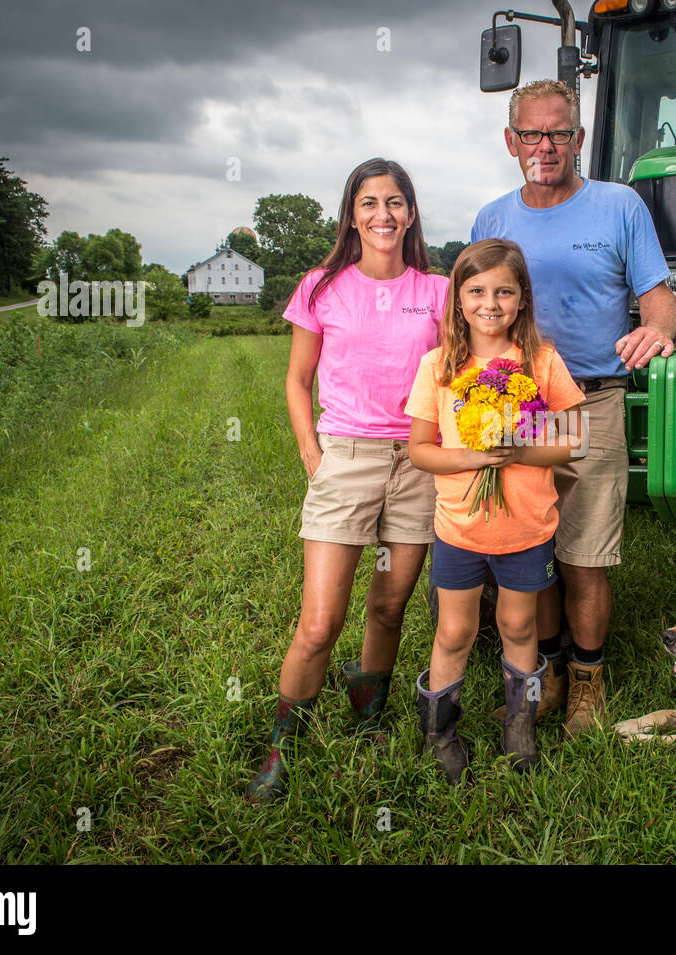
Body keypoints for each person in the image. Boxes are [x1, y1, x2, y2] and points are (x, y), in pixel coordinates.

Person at [470, 79, 676, 735]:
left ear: (579, 139)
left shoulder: (619, 206)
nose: (546, 145)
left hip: (591, 399)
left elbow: (658, 296)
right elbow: (471, 309)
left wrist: (660, 328)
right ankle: (550, 669)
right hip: (515, 409)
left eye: (559, 132)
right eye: (531, 133)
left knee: (584, 555)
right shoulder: (492, 218)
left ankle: (587, 680)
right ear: (511, 142)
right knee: (530, 554)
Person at [246, 158, 449, 804]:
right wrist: (313, 453)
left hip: (418, 461)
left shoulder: (438, 291)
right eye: (369, 202)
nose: (383, 214)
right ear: (352, 213)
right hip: (348, 454)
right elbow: (296, 380)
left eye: (394, 202)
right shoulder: (321, 286)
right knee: (319, 621)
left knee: (389, 606)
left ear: (410, 213)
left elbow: (457, 377)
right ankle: (282, 747)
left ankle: (367, 719)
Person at [405, 238, 584, 782]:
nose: (490, 302)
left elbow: (573, 439)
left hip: (527, 529)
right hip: (459, 528)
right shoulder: (439, 366)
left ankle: (519, 725)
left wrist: (518, 452)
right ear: (457, 299)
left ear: (523, 299)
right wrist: (471, 455)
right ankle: (439, 731)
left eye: (504, 291)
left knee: (518, 624)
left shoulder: (541, 362)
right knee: (454, 633)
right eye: (477, 290)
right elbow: (419, 450)